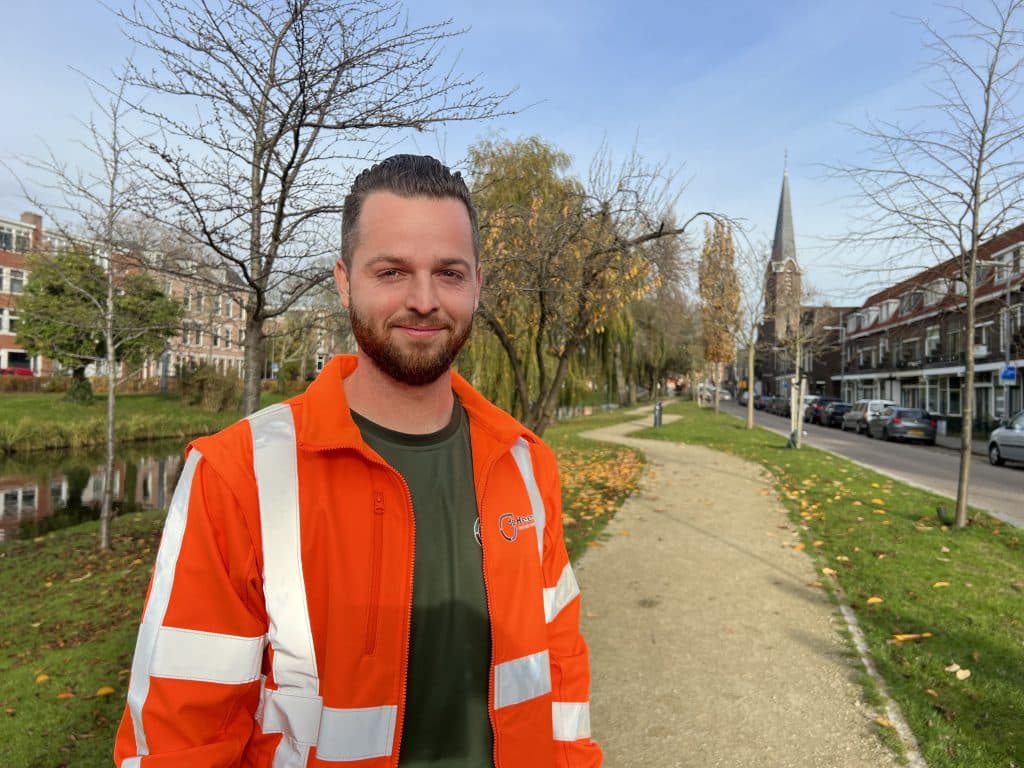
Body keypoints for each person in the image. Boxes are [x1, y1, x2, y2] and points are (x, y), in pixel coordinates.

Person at [114, 154, 602, 767]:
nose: (423, 300)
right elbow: (180, 740)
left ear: (478, 284)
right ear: (344, 281)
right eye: (392, 270)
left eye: (449, 273)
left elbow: (560, 677)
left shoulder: (527, 467)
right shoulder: (238, 476)